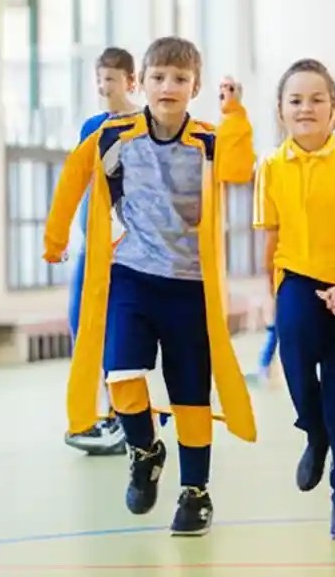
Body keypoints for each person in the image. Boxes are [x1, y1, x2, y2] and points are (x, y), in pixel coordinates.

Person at [43, 37, 257, 536]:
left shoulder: (208, 139)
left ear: (195, 88)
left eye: (180, 80)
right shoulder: (114, 135)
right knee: (120, 376)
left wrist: (237, 115)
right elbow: (73, 177)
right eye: (158, 78)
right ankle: (144, 449)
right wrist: (55, 239)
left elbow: (239, 167)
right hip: (132, 276)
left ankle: (195, 493)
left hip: (190, 286)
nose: (168, 87)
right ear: (140, 83)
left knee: (190, 395)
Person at [253, 58, 335, 538]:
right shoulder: (269, 166)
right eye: (296, 100)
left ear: (334, 110)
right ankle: (313, 430)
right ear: (282, 110)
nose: (306, 107)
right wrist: (269, 295)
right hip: (298, 283)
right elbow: (267, 239)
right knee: (296, 359)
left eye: (317, 99)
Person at [63, 46, 139, 456]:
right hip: (92, 246)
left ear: (130, 81)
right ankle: (93, 416)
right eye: (99, 78)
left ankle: (125, 413)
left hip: (128, 248)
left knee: (121, 331)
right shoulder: (91, 126)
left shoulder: (144, 127)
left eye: (110, 78)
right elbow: (78, 182)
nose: (103, 86)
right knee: (81, 323)